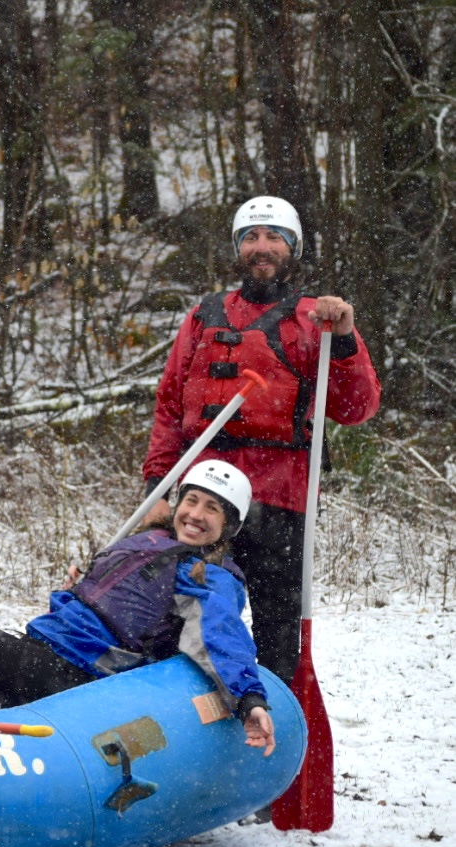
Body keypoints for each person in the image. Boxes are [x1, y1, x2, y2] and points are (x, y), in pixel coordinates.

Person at [144, 195, 379, 684]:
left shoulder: (317, 318)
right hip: (204, 493)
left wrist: (346, 339)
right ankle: (181, 713)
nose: (262, 247)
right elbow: (170, 406)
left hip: (279, 495)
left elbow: (357, 409)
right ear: (238, 248)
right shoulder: (203, 315)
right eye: (251, 237)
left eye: (274, 236)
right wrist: (156, 489)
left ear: (292, 248)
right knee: (176, 608)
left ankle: (272, 714)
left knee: (275, 626)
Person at [0, 461, 277, 755]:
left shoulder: (212, 579)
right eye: (192, 500)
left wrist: (249, 700)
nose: (196, 514)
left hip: (74, 674)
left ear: (229, 525)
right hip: (43, 648)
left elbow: (222, 639)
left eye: (212, 509)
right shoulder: (153, 540)